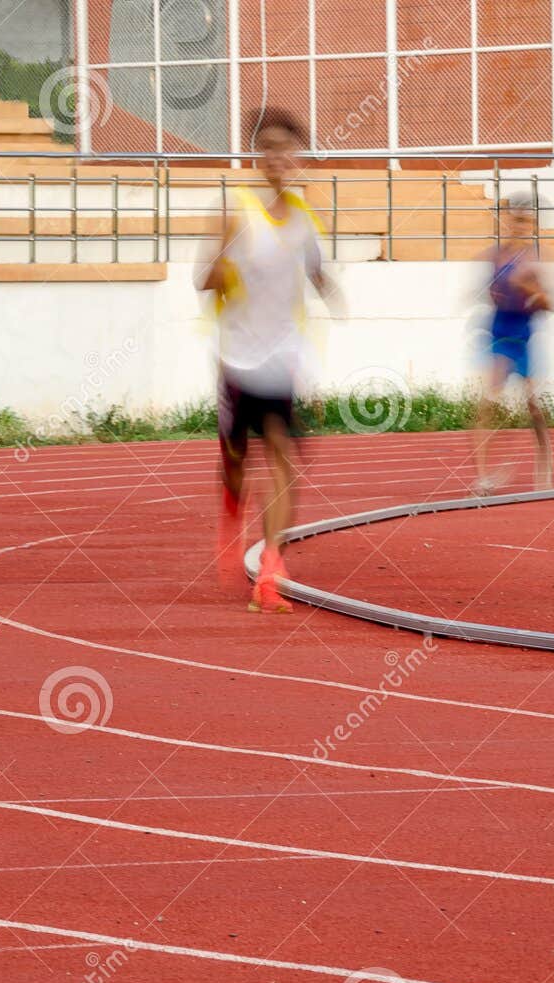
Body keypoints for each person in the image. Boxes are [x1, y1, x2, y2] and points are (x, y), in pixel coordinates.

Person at [199, 106, 341, 613]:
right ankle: (232, 506)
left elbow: (316, 271)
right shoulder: (235, 212)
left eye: (289, 148)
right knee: (236, 462)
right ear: (258, 156)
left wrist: (330, 289)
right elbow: (204, 280)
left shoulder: (304, 221)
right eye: (271, 148)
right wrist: (221, 271)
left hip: (281, 359)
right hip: (238, 357)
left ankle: (272, 569)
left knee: (282, 457)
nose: (280, 157)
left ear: (299, 158)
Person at [473, 191, 554, 494]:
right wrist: (494, 293)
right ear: (506, 221)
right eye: (514, 219)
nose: (518, 225)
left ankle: (544, 469)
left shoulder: (536, 259)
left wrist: (530, 292)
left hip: (524, 334)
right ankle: (482, 476)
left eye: (524, 220)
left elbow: (551, 303)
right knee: (487, 404)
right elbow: (489, 291)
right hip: (498, 332)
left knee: (533, 406)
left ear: (531, 224)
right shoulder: (495, 255)